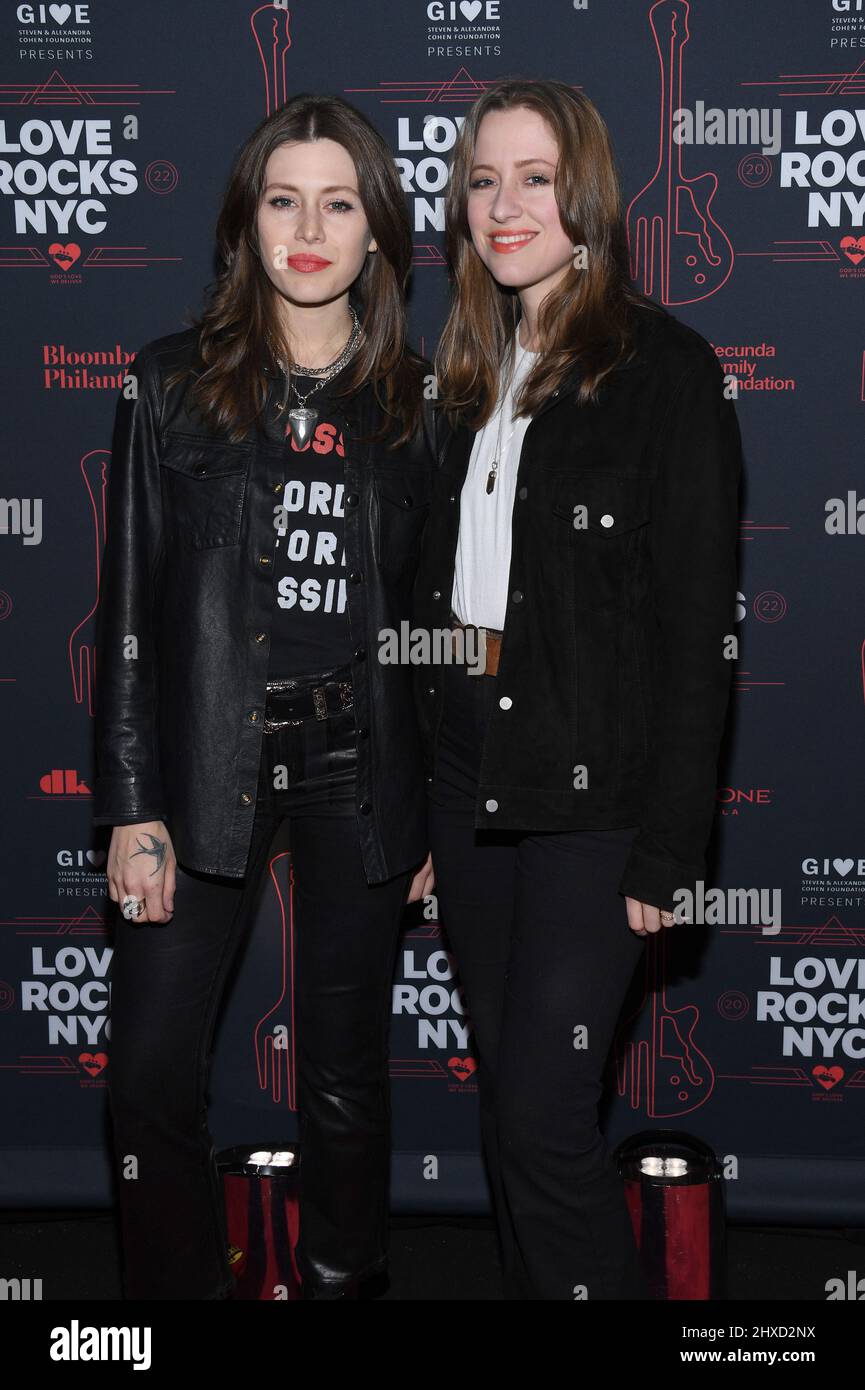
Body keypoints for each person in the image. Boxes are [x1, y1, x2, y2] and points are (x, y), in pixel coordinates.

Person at [92, 93, 443, 1301]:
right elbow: (130, 609)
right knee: (146, 1074)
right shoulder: (168, 384)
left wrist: (434, 807)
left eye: (338, 204)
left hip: (360, 764)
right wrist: (132, 802)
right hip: (202, 762)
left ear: (377, 235)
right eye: (282, 201)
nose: (309, 228)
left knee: (347, 1073)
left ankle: (345, 1286)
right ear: (246, 227)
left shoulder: (419, 403)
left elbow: (441, 625)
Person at [413, 78, 743, 1299]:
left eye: (534, 177)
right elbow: (445, 617)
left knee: (547, 1122)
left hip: (594, 810)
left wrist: (671, 845)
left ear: (588, 192)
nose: (505, 205)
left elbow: (697, 630)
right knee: (512, 1113)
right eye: (484, 179)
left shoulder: (667, 372)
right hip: (470, 787)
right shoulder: (464, 373)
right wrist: (427, 794)